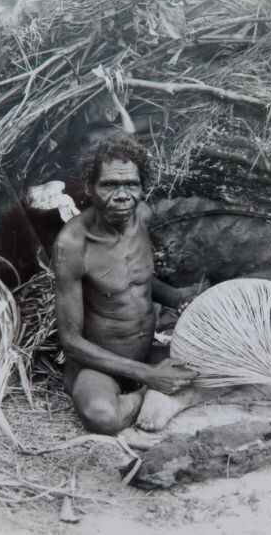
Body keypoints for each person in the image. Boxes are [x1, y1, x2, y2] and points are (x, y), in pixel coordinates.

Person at [53, 135, 202, 434]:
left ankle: (153, 393)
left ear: (142, 188)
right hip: (100, 365)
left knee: (222, 365)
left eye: (131, 185)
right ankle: (152, 396)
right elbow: (70, 341)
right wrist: (148, 376)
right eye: (109, 185)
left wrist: (177, 299)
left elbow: (134, 281)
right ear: (89, 188)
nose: (122, 196)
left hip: (147, 351)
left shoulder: (142, 217)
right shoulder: (72, 244)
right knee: (102, 417)